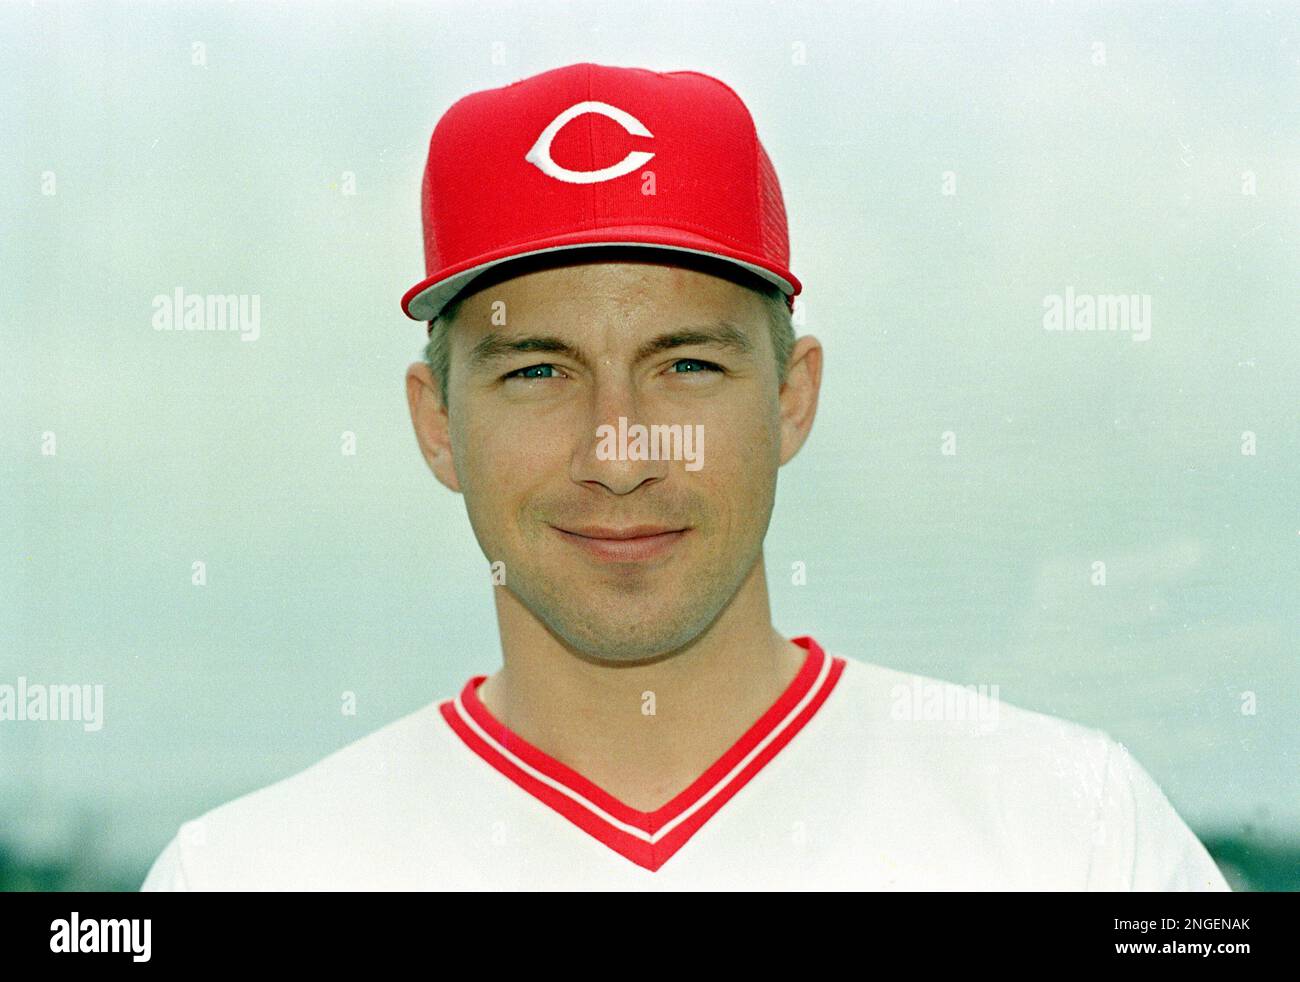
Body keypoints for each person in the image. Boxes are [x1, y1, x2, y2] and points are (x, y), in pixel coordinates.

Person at [141, 62, 1229, 890]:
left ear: (791, 397)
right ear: (436, 424)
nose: (619, 452)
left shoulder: (1086, 836)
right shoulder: (245, 872)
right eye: (535, 370)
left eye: (687, 364)